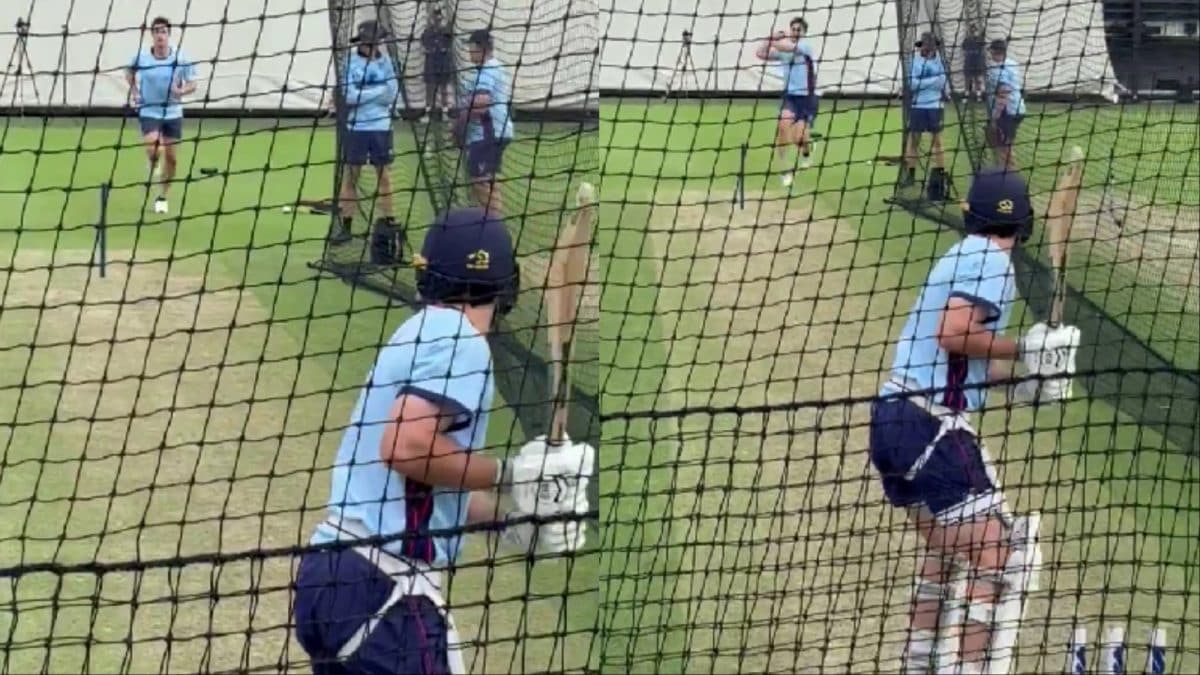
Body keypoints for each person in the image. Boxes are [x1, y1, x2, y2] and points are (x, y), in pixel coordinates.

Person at [294, 207, 594, 675]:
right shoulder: (461, 339)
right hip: (383, 589)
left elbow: (429, 485)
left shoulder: (419, 331)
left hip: (332, 577)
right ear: (504, 284)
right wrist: (511, 472)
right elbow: (406, 448)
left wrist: (514, 521)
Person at [869, 166, 1081, 675]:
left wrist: (1033, 375)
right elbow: (953, 333)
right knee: (1004, 555)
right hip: (930, 425)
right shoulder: (991, 261)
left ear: (971, 214)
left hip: (894, 422)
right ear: (1022, 223)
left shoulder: (963, 254)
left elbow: (974, 360)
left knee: (948, 548)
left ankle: (920, 664)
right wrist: (1027, 346)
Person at [329, 20, 402, 265]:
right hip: (356, 128)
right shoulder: (350, 63)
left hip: (381, 127)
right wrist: (377, 93)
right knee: (352, 177)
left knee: (385, 177)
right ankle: (346, 226)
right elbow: (349, 95)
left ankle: (390, 221)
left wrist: (369, 95)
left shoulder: (386, 62)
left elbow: (392, 94)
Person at [125, 16, 198, 215]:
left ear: (168, 34)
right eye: (156, 31)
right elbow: (129, 72)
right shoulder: (142, 57)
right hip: (149, 110)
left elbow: (193, 83)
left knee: (172, 159)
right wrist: (135, 92)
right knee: (156, 149)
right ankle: (153, 160)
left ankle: (162, 196)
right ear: (152, 35)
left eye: (163, 31)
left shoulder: (181, 58)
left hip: (173, 113)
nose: (160, 35)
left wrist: (181, 92)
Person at [452, 30, 514, 216]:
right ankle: (490, 222)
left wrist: (458, 124)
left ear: (481, 48)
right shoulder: (492, 68)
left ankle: (494, 226)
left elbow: (480, 104)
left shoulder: (488, 70)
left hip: (488, 133)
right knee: (488, 181)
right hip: (495, 132)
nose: (469, 51)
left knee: (481, 182)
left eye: (472, 47)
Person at [756, 16, 819, 188]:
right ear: (790, 30)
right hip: (790, 97)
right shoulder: (784, 51)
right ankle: (785, 171)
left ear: (804, 33)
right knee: (783, 128)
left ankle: (807, 150)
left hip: (807, 99)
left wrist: (775, 40)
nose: (796, 32)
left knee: (798, 139)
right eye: (794, 29)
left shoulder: (804, 47)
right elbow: (760, 53)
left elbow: (786, 46)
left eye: (799, 30)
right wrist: (770, 37)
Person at [902, 33, 950, 201]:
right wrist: (932, 82)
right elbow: (913, 84)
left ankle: (941, 174)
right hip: (918, 106)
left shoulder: (940, 62)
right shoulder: (915, 62)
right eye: (925, 44)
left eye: (931, 44)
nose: (928, 47)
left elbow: (943, 82)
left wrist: (928, 83)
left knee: (937, 142)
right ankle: (910, 174)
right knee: (914, 140)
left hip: (935, 107)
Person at [985, 40, 1026, 168]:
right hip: (1018, 109)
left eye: (991, 51)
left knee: (1004, 148)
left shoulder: (998, 69)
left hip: (1006, 112)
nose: (990, 53)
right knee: (1005, 145)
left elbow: (1003, 93)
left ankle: (1010, 179)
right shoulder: (1012, 64)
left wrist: (994, 118)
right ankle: (1003, 173)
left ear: (995, 51)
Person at [421, 7, 455, 121]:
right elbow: (423, 44)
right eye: (435, 16)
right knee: (429, 88)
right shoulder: (427, 31)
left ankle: (445, 113)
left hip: (443, 62)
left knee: (444, 88)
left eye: (438, 16)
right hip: (431, 62)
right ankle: (427, 113)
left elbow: (450, 41)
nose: (437, 18)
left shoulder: (446, 31)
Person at [962, 24, 987, 102]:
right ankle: (966, 95)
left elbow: (983, 47)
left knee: (978, 79)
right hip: (969, 62)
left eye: (974, 30)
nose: (973, 32)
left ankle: (978, 96)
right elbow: (964, 48)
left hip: (978, 62)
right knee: (968, 79)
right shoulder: (967, 40)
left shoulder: (980, 39)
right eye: (971, 31)